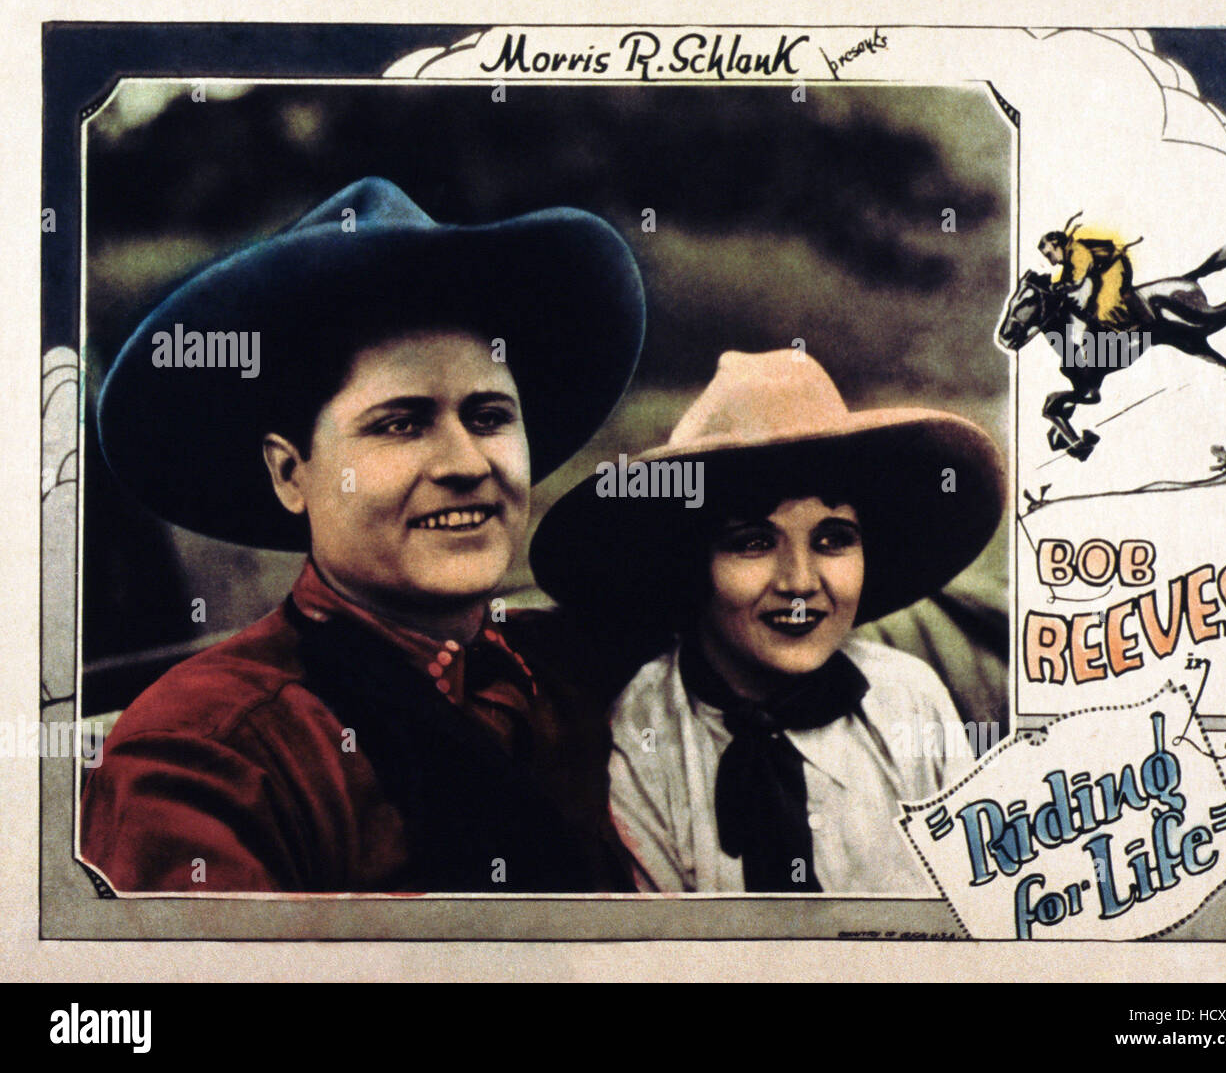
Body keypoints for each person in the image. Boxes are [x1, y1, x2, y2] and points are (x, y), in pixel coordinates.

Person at [81, 177, 646, 893]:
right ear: (292, 475)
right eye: (400, 424)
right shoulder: (205, 755)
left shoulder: (567, 676)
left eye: (490, 417)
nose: (466, 464)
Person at [530, 350, 1006, 893]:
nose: (800, 581)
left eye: (833, 540)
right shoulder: (645, 731)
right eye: (753, 543)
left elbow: (973, 902)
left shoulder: (909, 698)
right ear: (694, 564)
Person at [1038, 225, 1138, 332]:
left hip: (1114, 265)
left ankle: (1131, 328)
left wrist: (1059, 287)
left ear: (1057, 246)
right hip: (1099, 271)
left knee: (1103, 309)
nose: (1052, 262)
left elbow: (1076, 281)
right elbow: (1067, 280)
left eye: (1050, 255)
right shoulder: (1067, 256)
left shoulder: (1077, 252)